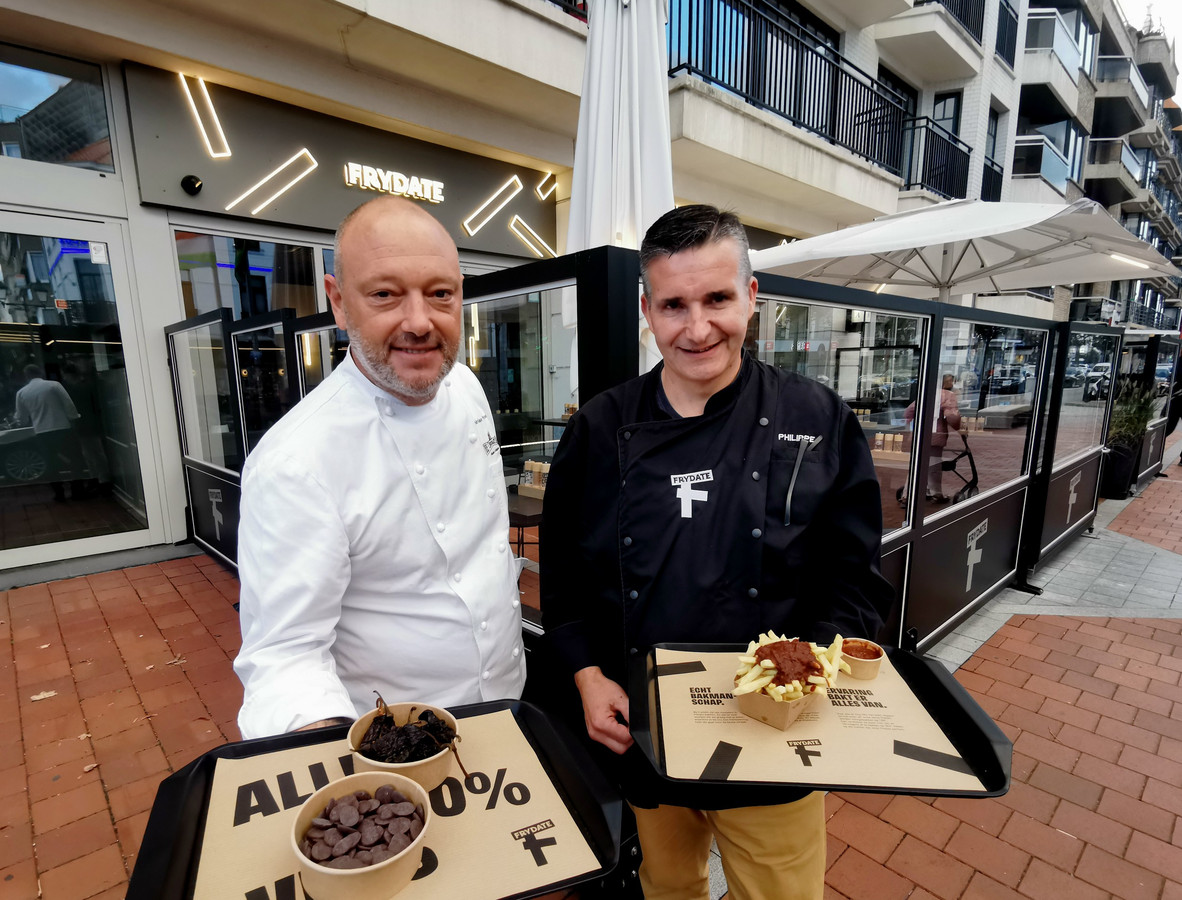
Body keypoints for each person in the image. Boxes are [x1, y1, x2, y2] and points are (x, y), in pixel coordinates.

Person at [540, 205, 894, 900]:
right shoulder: (600, 429)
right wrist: (586, 675)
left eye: (717, 299)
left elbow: (853, 582)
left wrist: (809, 671)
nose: (697, 328)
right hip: (645, 733)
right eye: (673, 304)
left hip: (774, 742)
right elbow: (565, 581)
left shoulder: (817, 420)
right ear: (647, 309)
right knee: (667, 886)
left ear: (752, 297)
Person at [234, 196, 526, 739]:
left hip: (509, 698)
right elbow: (285, 654)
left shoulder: (465, 386)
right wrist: (343, 764)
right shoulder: (296, 463)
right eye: (386, 295)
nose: (419, 322)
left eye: (440, 294)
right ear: (339, 303)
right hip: (398, 742)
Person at [13, 364, 82, 501]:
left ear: (27, 376)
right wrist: (74, 418)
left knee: (51, 462)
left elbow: (21, 417)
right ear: (41, 373)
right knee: (75, 459)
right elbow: (68, 404)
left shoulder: (21, 392)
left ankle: (59, 493)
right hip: (62, 427)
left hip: (42, 431)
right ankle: (77, 490)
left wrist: (19, 421)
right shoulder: (53, 385)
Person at [903, 373, 962, 502]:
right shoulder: (947, 395)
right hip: (935, 435)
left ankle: (916, 493)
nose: (952, 384)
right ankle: (926, 493)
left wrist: (912, 423)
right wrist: (960, 429)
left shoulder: (926, 393)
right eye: (950, 381)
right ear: (944, 382)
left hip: (919, 434)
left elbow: (908, 411)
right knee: (933, 464)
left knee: (919, 464)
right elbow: (952, 417)